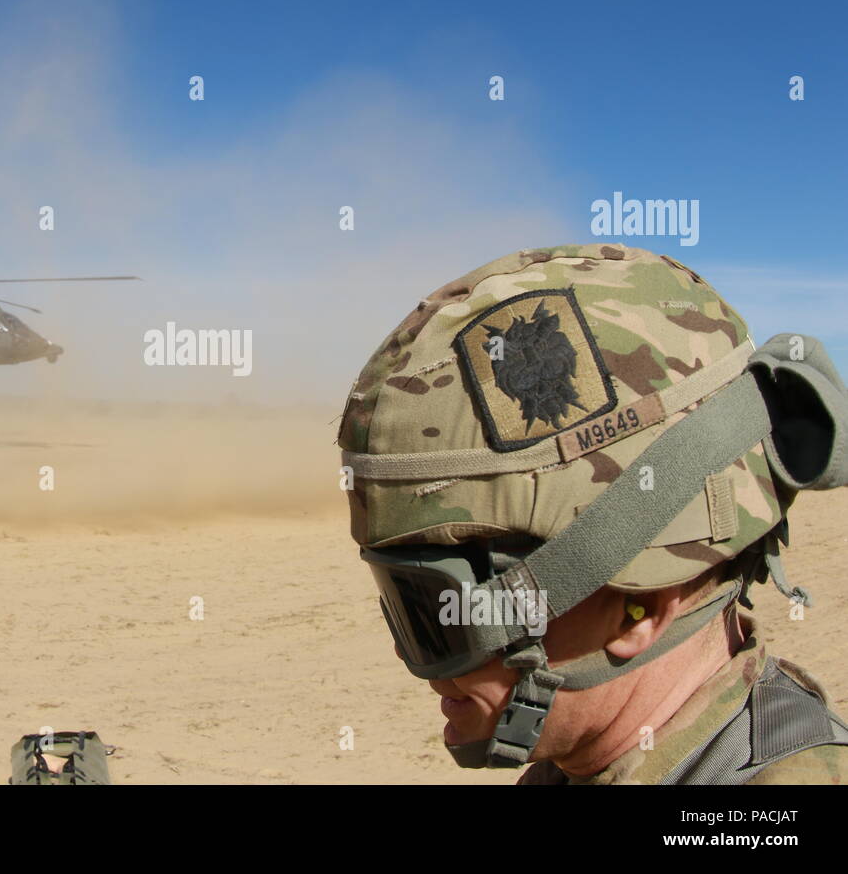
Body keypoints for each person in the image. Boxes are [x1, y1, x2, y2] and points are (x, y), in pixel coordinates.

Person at [338, 244, 848, 783]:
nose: (412, 661)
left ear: (641, 607)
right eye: (402, 609)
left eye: (442, 618)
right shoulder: (582, 763)